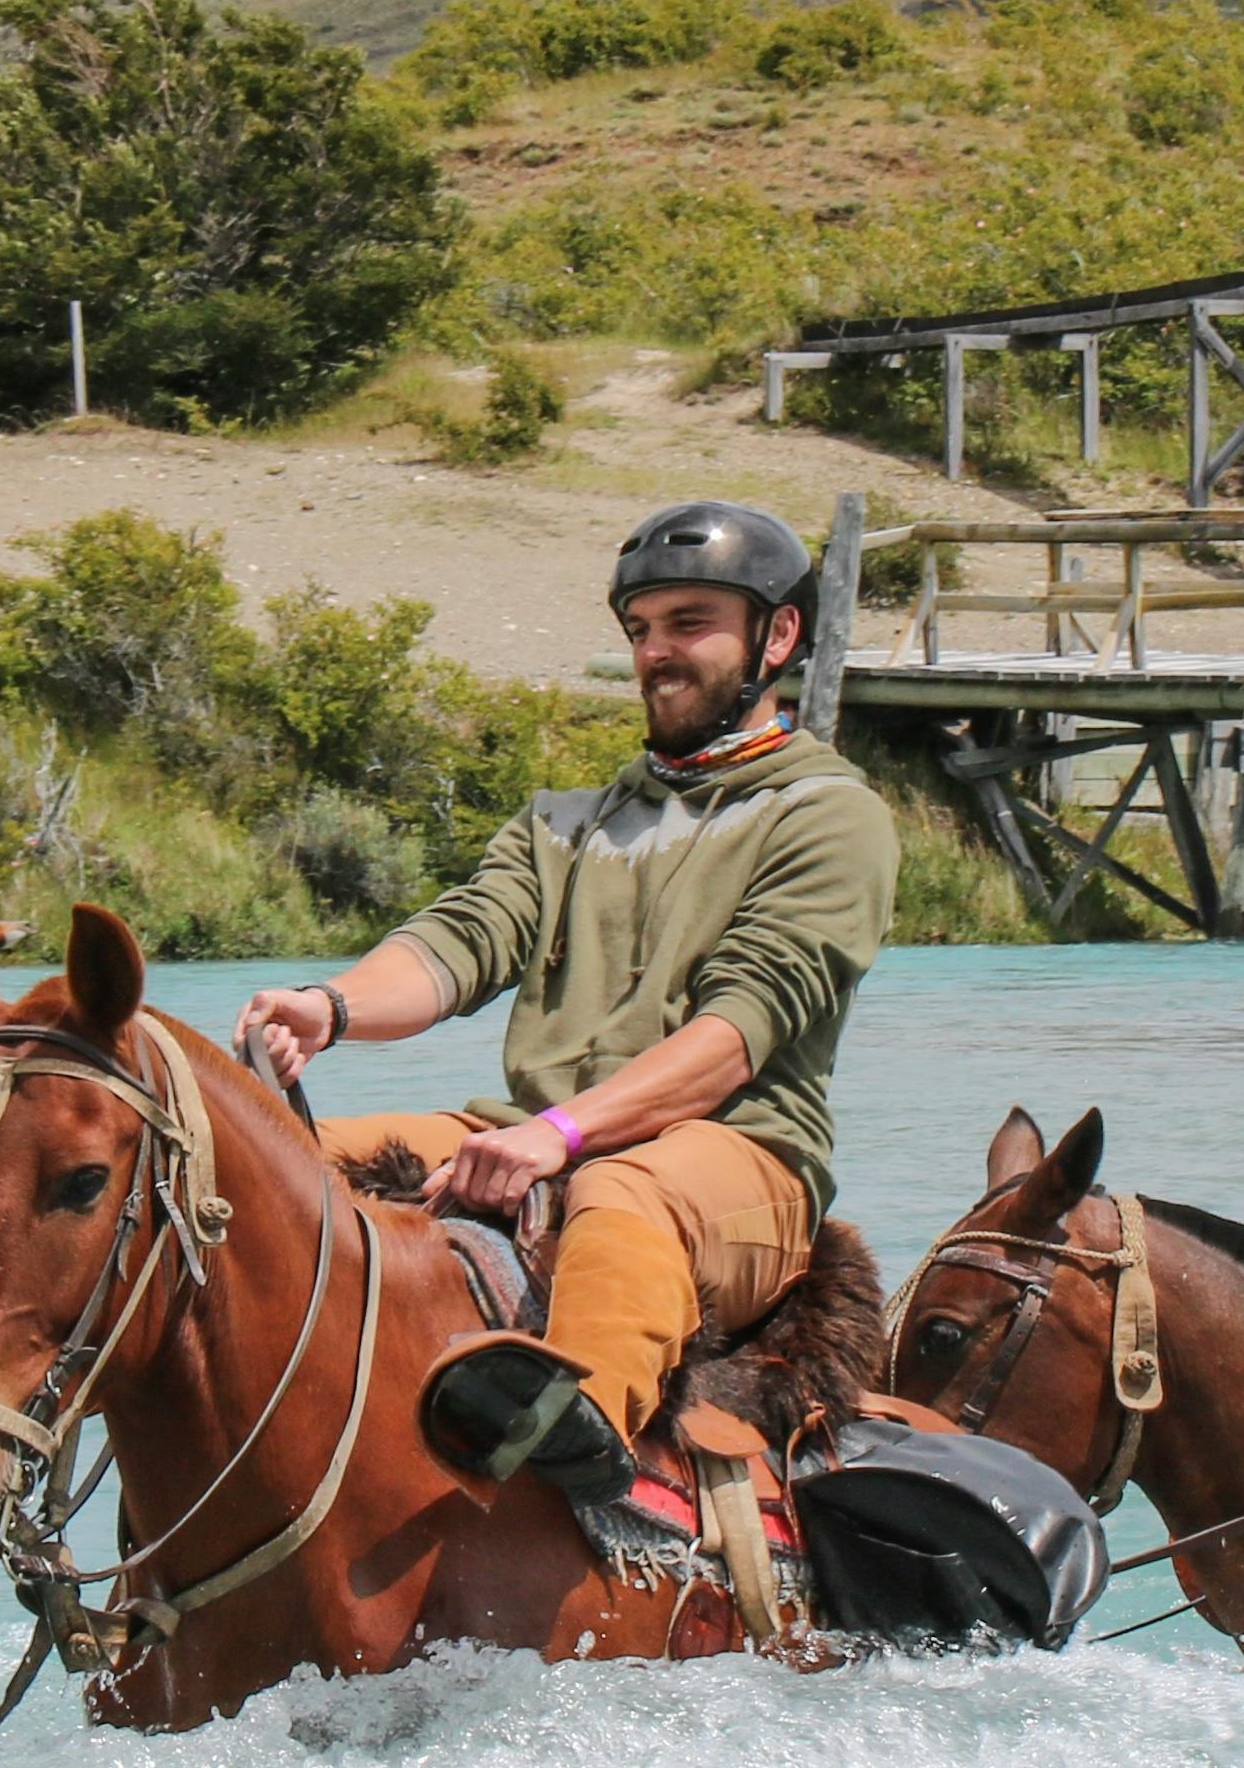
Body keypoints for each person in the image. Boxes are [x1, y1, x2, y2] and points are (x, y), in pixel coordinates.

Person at [236, 501, 894, 1504]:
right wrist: (329, 1006)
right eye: (640, 629)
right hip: (529, 1127)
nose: (657, 652)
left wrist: (562, 1134)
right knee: (266, 1166)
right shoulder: (566, 823)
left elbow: (738, 1033)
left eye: (690, 622)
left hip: (737, 1156)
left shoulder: (832, 815)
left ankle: (571, 1467)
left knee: (617, 1196)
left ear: (781, 634)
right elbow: (461, 940)